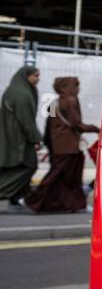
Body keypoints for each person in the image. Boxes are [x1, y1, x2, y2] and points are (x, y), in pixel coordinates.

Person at [25, 76, 99, 213]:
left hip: (56, 145)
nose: (78, 89)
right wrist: (96, 129)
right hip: (68, 146)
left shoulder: (54, 103)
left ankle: (63, 204)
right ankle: (36, 200)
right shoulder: (71, 101)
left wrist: (48, 142)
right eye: (76, 86)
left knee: (59, 176)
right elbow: (76, 124)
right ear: (69, 87)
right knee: (69, 177)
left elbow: (49, 124)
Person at [0, 66, 41, 210]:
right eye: (35, 76)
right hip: (18, 138)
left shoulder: (20, 90)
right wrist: (36, 138)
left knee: (13, 168)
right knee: (29, 165)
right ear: (27, 76)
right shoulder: (21, 94)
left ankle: (15, 199)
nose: (38, 79)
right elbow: (26, 120)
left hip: (14, 136)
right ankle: (6, 193)